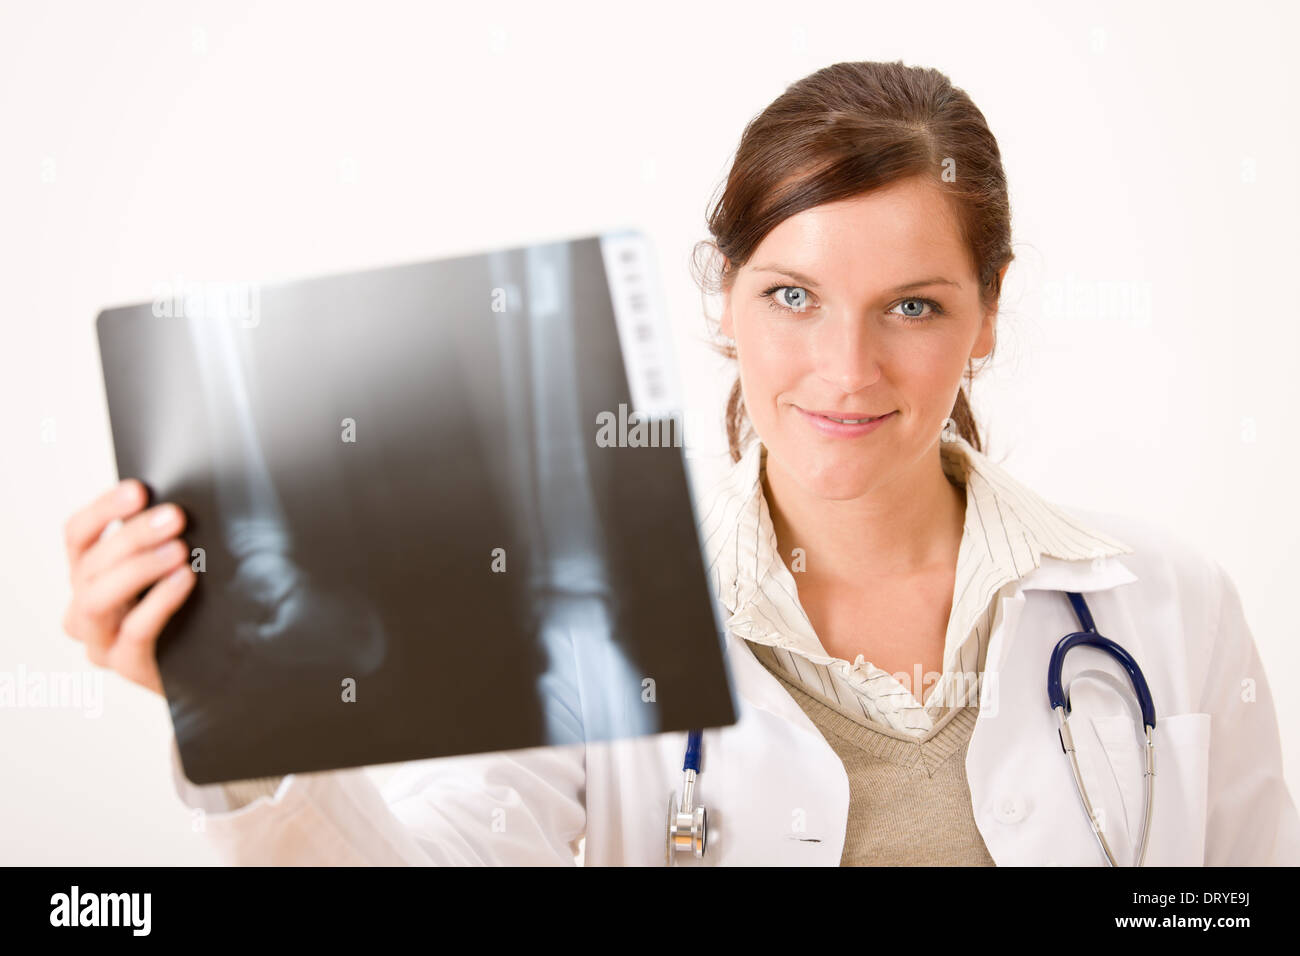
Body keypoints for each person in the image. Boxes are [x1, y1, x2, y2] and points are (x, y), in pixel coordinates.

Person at [61, 59, 1300, 865]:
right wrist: (244, 708)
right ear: (723, 302)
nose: (845, 369)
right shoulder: (593, 627)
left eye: (912, 307)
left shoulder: (1166, 606)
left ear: (987, 310)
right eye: (793, 294)